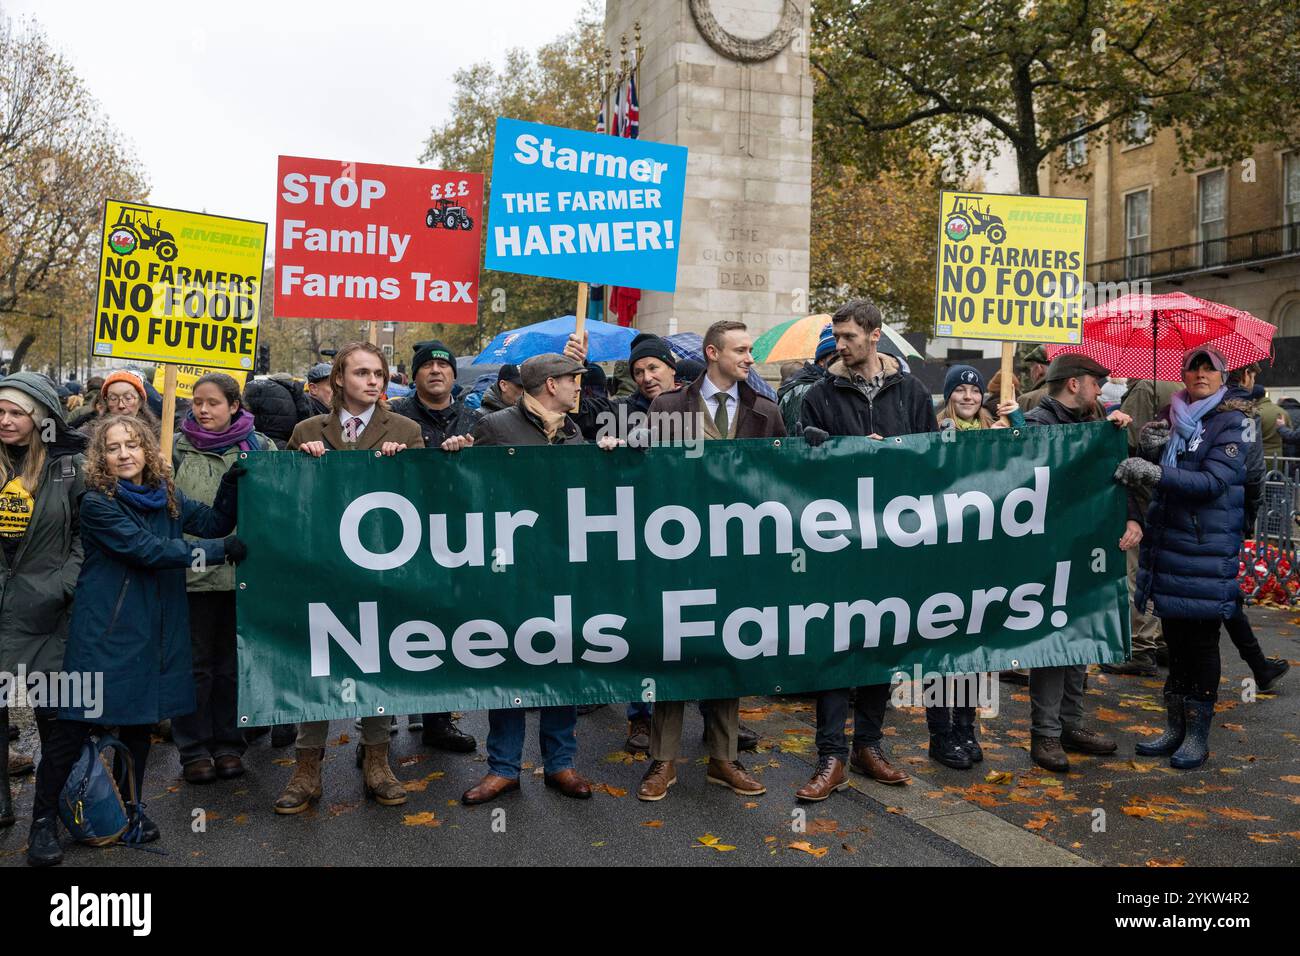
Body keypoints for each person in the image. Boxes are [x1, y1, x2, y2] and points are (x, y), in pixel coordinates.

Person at [26, 415, 241, 865]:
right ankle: (42, 822)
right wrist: (220, 552)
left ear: (147, 449)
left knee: (139, 726)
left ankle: (128, 810)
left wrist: (234, 483)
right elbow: (149, 551)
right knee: (72, 727)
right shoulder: (97, 503)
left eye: (132, 445)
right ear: (100, 458)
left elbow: (216, 520)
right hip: (105, 631)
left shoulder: (167, 496)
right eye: (112, 447)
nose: (124, 454)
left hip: (155, 630)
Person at [794, 298, 938, 801]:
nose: (840, 344)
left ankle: (868, 745)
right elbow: (799, 467)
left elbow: (933, 459)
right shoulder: (819, 394)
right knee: (836, 644)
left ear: (875, 334)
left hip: (894, 540)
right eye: (836, 336)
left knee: (882, 640)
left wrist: (892, 455)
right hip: (837, 542)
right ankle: (830, 754)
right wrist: (829, 448)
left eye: (850, 336)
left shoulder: (912, 391)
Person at [634, 321, 782, 802]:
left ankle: (723, 757)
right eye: (741, 350)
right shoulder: (668, 407)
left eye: (751, 351)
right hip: (678, 551)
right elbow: (649, 480)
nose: (749, 358)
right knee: (675, 652)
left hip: (737, 554)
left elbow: (779, 482)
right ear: (712, 352)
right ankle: (664, 760)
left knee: (729, 649)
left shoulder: (767, 410)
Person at [274, 343, 423, 814]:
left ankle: (377, 761)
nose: (374, 381)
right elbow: (283, 499)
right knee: (315, 663)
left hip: (382, 568)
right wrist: (301, 462)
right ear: (338, 379)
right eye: (362, 373)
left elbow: (427, 500)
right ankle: (306, 768)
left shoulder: (405, 430)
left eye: (379, 373)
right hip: (319, 568)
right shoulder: (305, 430)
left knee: (376, 661)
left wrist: (408, 468)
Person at [455, 354, 603, 806]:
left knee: (560, 661)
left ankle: (561, 763)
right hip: (512, 566)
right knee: (512, 661)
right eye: (573, 381)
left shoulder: (575, 430)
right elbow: (471, 490)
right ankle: (503, 768)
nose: (580, 388)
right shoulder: (496, 426)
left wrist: (606, 458)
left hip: (563, 565)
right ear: (549, 384)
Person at [1117, 347, 1248, 770]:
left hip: (1204, 550)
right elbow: (1172, 474)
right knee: (1174, 639)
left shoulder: (1234, 423)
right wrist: (1154, 449)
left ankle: (1197, 735)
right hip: (1169, 545)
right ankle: (1174, 726)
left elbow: (1212, 481)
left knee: (1202, 644)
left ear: (1223, 375)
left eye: (1209, 368)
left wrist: (1155, 471)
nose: (1200, 374)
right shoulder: (1172, 417)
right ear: (1182, 376)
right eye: (1193, 368)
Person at [1020, 354, 1133, 772]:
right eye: (1095, 382)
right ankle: (1045, 735)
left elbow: (1117, 478)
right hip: (1049, 552)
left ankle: (1071, 723)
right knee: (1052, 640)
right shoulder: (1038, 424)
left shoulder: (1096, 419)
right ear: (1073, 384)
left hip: (1085, 547)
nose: (1100, 389)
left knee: (1080, 633)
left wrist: (1113, 435)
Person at [169, 373, 276, 785]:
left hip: (241, 575)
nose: (202, 410)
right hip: (188, 574)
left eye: (212, 402)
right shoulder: (174, 447)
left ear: (234, 406)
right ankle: (193, 750)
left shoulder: (259, 446)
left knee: (232, 664)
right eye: (197, 402)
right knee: (194, 666)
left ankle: (230, 745)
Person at [925, 366, 1024, 769]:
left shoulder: (996, 428)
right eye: (960, 390)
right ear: (948, 396)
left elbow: (1033, 456)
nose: (968, 397)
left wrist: (1015, 421)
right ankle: (939, 733)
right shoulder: (932, 432)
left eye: (974, 390)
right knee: (938, 648)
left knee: (973, 647)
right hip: (941, 556)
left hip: (983, 556)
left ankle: (966, 728)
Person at [0, 373, 86, 831]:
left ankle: (50, 812)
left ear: (40, 418)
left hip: (48, 608)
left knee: (50, 709)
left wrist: (63, 584)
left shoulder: (68, 466)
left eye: (16, 412)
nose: (6, 421)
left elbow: (84, 535)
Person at [389, 340, 480, 752]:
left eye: (444, 365)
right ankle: (379, 727)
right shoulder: (395, 420)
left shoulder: (477, 420)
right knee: (397, 628)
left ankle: (438, 721)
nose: (436, 371)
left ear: (454, 376)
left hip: (456, 539)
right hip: (402, 536)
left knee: (443, 629)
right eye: (427, 366)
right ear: (414, 375)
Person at [777, 322, 836, 433]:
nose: (841, 359)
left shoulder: (833, 384)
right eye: (835, 354)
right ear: (822, 360)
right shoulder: (804, 391)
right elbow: (795, 438)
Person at [94, 370, 159, 435]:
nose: (121, 405)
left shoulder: (157, 435)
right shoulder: (91, 435)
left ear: (140, 402)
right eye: (113, 399)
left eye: (128, 398)